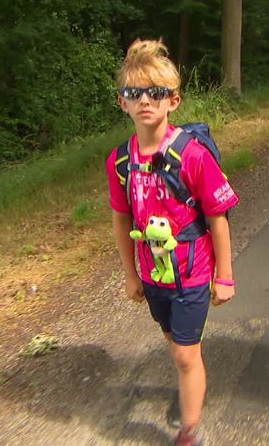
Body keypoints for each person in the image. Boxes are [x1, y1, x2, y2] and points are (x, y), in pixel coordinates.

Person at [106, 39, 238, 446]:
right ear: (122, 102)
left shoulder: (193, 156)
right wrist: (131, 276)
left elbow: (217, 218)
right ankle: (191, 371)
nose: (145, 100)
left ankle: (188, 430)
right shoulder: (120, 162)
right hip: (153, 276)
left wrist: (226, 276)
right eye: (134, 93)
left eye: (156, 92)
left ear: (173, 101)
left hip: (193, 272)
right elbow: (121, 218)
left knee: (183, 353)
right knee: (176, 343)